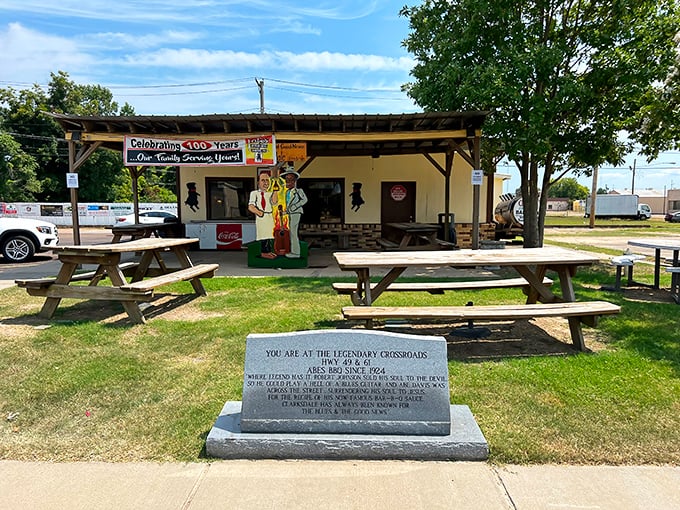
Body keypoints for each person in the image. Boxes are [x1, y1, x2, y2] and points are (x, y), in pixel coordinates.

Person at [248, 171, 276, 259]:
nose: (265, 183)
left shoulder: (270, 193)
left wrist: (275, 191)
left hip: (269, 216)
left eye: (267, 180)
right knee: (263, 235)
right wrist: (259, 213)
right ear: (258, 182)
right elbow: (251, 206)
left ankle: (269, 251)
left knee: (270, 235)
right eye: (263, 180)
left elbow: (274, 202)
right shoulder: (254, 193)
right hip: (261, 216)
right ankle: (264, 252)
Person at [280, 168, 308, 258]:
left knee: (293, 232)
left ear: (295, 181)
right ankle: (292, 250)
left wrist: (295, 207)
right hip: (290, 213)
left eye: (291, 180)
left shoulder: (298, 191)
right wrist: (286, 211)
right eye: (287, 180)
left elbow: (304, 200)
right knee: (290, 232)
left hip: (296, 213)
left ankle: (296, 252)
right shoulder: (287, 192)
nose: (289, 182)